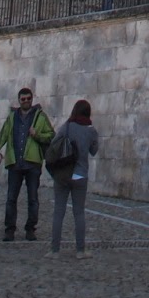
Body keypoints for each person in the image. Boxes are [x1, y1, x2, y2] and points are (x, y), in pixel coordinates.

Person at [0, 86, 55, 242]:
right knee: (11, 198)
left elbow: (51, 135)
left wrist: (38, 135)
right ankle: (9, 229)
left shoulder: (41, 116)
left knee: (33, 198)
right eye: (23, 99)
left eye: (29, 98)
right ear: (19, 100)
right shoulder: (12, 117)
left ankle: (30, 229)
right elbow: (3, 135)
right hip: (15, 162)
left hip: (32, 163)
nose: (27, 101)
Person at [49, 98, 99, 255]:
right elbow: (94, 150)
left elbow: (55, 143)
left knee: (59, 212)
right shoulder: (91, 130)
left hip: (63, 174)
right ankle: (80, 251)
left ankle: (54, 251)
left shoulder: (67, 126)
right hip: (80, 174)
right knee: (79, 213)